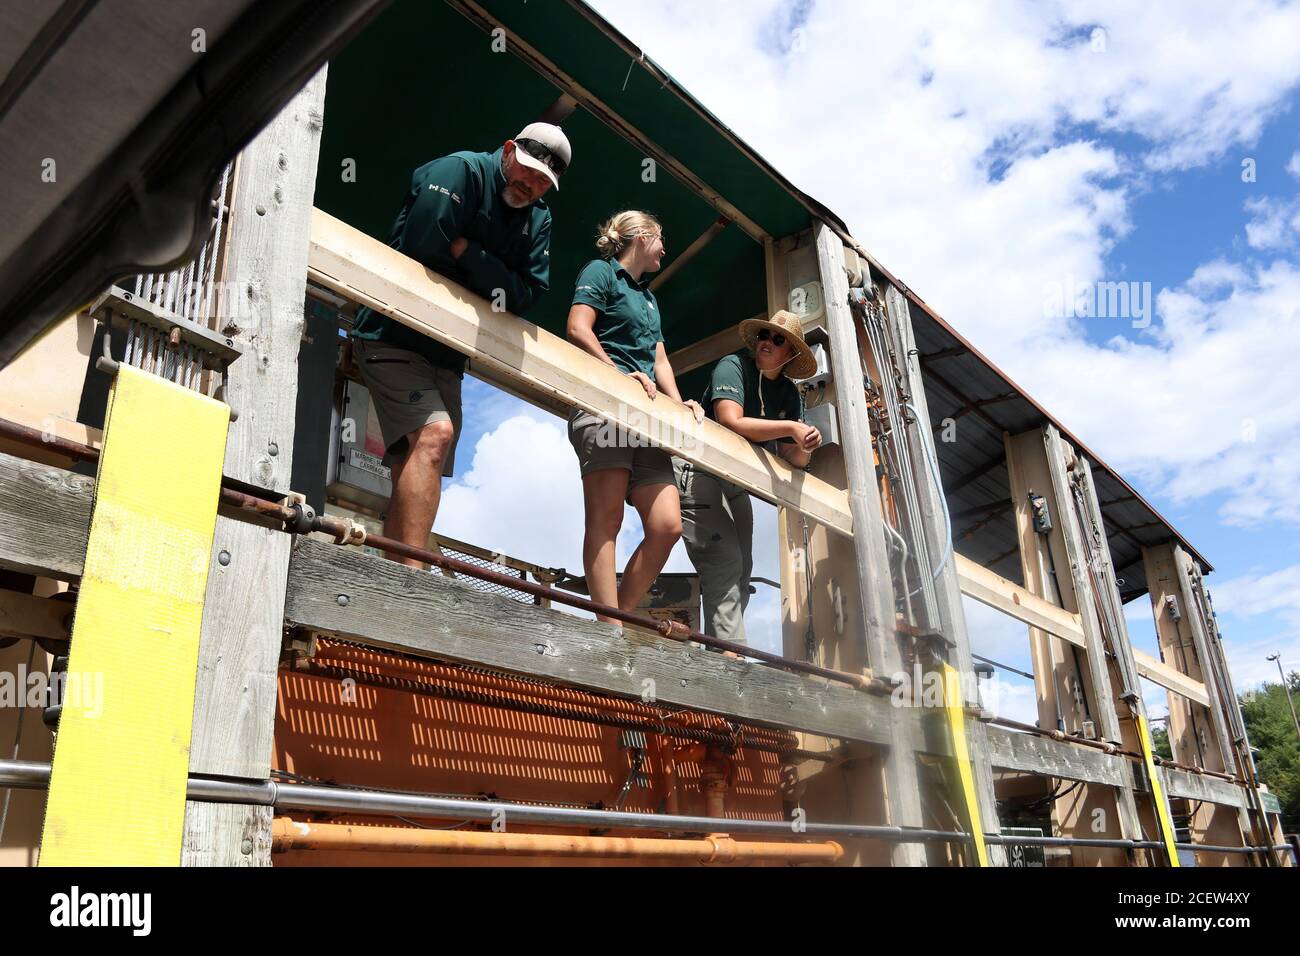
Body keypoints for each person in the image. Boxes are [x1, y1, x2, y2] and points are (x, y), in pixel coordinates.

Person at [349, 123, 571, 567]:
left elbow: (525, 295)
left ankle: (391, 580)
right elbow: (424, 246)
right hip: (392, 333)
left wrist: (467, 252)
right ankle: (413, 578)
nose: (532, 185)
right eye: (527, 171)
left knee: (418, 459)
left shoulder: (540, 217)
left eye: (544, 181)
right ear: (508, 150)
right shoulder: (460, 171)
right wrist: (492, 277)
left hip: (449, 355)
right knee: (436, 435)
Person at [565, 211, 703, 625]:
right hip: (605, 408)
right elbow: (578, 327)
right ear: (643, 236)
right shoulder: (601, 272)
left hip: (647, 419)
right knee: (607, 519)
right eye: (662, 238)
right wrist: (619, 376)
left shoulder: (648, 297)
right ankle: (609, 627)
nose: (665, 248)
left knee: (667, 525)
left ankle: (617, 617)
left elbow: (659, 357)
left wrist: (679, 405)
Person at [673, 310, 821, 646]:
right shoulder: (733, 366)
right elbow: (730, 420)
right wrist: (791, 428)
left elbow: (792, 458)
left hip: (735, 482)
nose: (768, 342)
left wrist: (806, 443)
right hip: (698, 469)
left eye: (778, 340)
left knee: (742, 570)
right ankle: (730, 656)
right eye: (765, 336)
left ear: (792, 354)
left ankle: (721, 648)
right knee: (725, 563)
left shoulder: (788, 394)